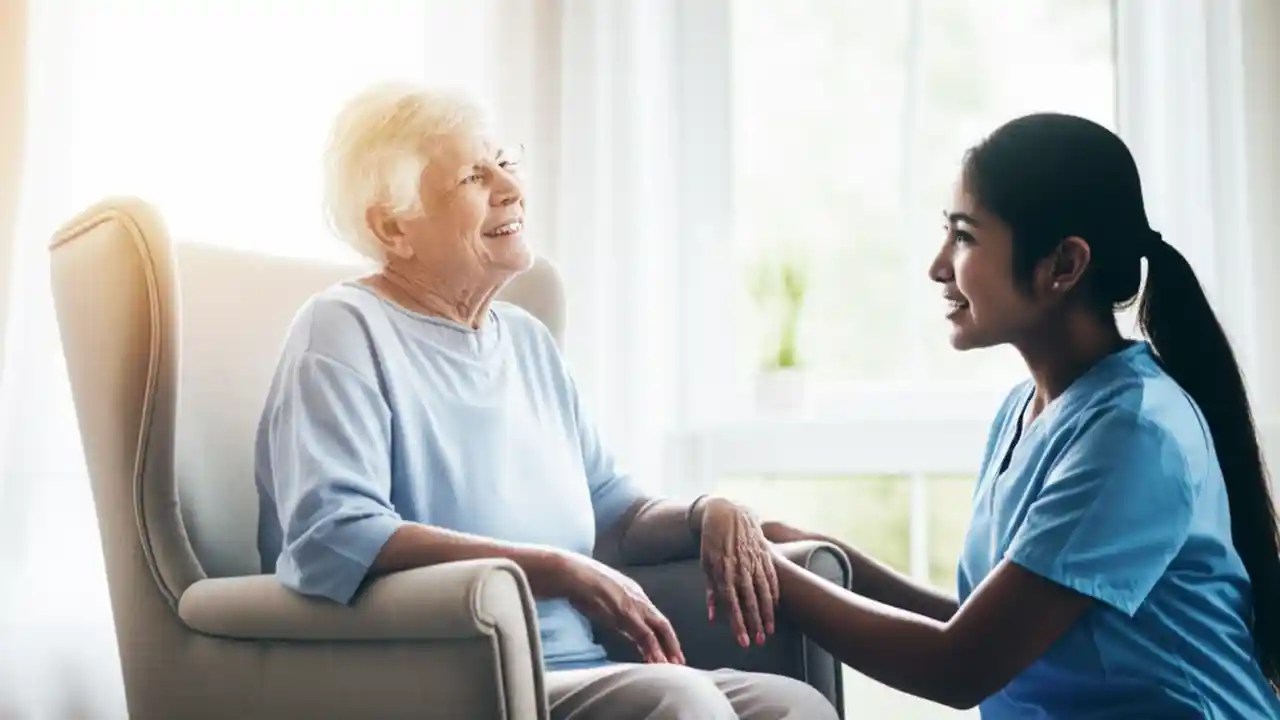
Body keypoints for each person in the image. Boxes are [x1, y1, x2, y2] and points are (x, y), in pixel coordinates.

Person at [254, 83, 837, 720]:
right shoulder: (342, 330)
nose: (509, 189)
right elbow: (332, 537)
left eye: (505, 162)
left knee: (791, 707)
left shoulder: (526, 339)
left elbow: (614, 512)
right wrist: (557, 569)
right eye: (474, 177)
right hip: (446, 681)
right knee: (678, 700)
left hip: (579, 671)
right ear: (393, 228)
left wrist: (707, 511)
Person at [761, 113, 1280, 717]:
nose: (937, 266)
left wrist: (767, 574)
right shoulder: (1027, 411)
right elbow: (984, 623)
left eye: (964, 237)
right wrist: (825, 554)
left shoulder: (1134, 435)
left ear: (1063, 265)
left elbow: (961, 666)